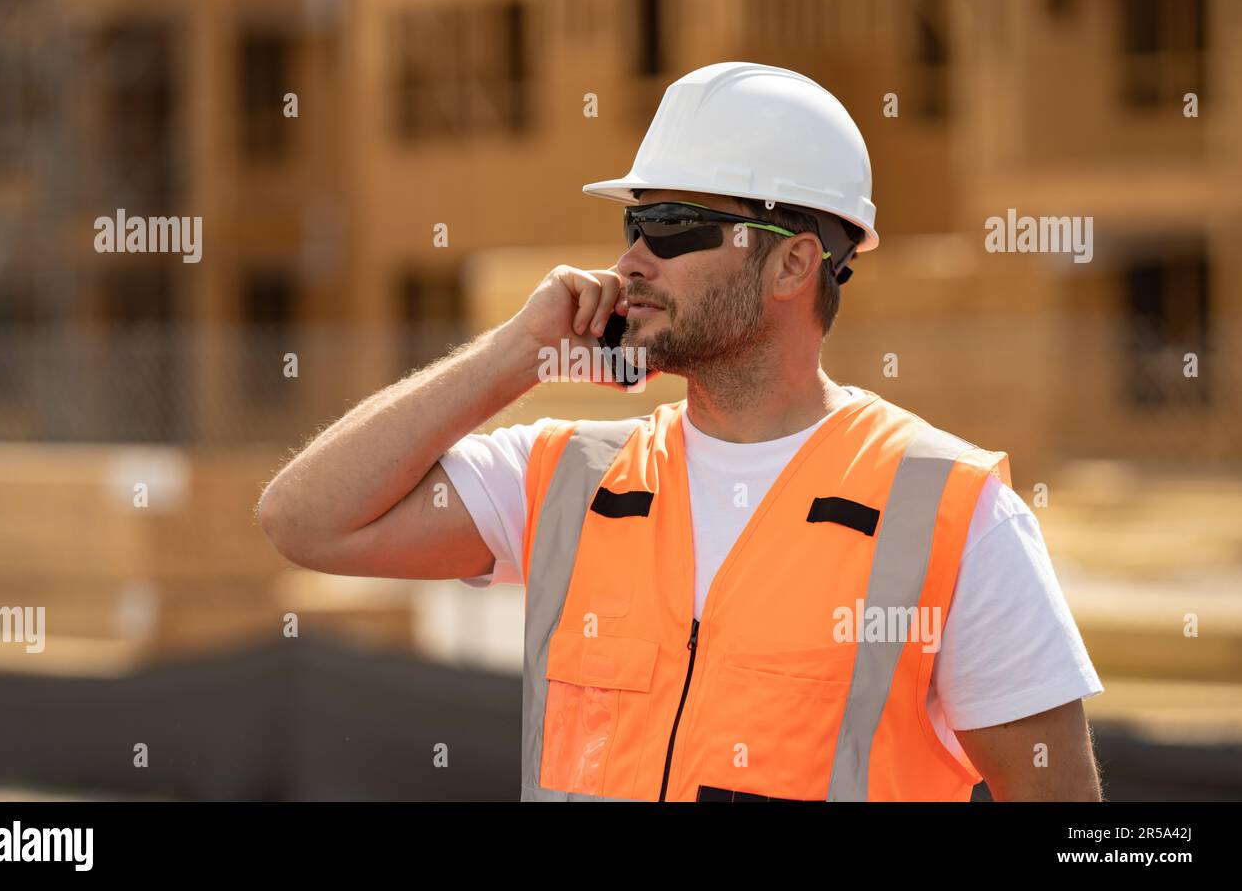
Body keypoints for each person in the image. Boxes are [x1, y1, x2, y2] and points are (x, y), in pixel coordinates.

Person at [258, 62, 1104, 802]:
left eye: (672, 226)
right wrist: (518, 354)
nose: (631, 261)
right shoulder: (568, 480)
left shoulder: (952, 514)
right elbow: (305, 520)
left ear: (793, 263)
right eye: (633, 225)